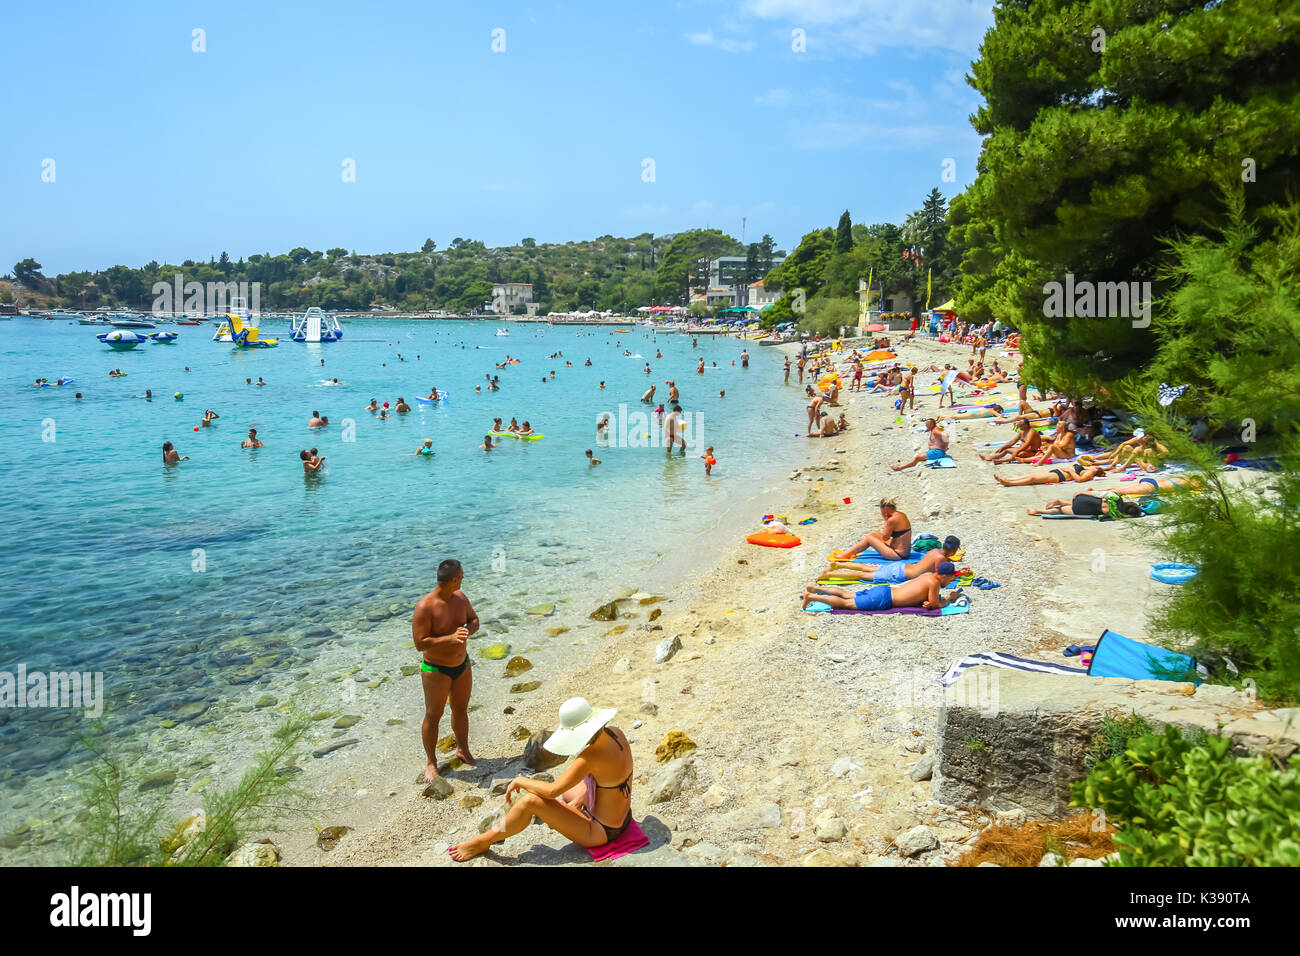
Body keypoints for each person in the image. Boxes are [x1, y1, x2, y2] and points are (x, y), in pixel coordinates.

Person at [448, 697, 633, 861]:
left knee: (529, 801)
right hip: (623, 818)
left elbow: (552, 791)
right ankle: (566, 812)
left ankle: (483, 841)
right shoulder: (615, 732)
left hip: (601, 832)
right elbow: (609, 776)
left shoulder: (589, 758)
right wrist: (581, 797)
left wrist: (520, 781)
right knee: (569, 791)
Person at [413, 558, 479, 783]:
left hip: (462, 666)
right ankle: (431, 763)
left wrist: (469, 629)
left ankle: (463, 749)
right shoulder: (425, 607)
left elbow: (474, 620)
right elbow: (420, 643)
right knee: (434, 716)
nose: (464, 578)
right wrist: (450, 638)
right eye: (462, 575)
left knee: (460, 709)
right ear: (454, 579)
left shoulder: (460, 598)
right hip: (436, 670)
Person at [801, 566, 962, 611]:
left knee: (847, 594)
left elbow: (926, 598)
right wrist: (949, 598)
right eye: (950, 579)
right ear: (943, 576)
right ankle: (812, 597)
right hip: (884, 599)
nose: (950, 581)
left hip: (885, 590)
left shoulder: (928, 575)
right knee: (846, 604)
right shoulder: (934, 583)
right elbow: (935, 605)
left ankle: (814, 588)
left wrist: (929, 601)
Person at [820, 536, 961, 582]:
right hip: (901, 574)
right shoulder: (941, 559)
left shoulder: (935, 551)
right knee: (863, 576)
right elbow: (940, 577)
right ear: (954, 551)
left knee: (868, 568)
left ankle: (838, 565)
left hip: (901, 567)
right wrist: (957, 575)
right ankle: (830, 574)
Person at [834, 499, 913, 561]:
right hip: (904, 552)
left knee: (869, 539)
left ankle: (847, 555)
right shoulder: (901, 514)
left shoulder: (891, 520)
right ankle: (852, 552)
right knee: (873, 533)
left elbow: (885, 538)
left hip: (897, 554)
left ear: (885, 509)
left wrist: (886, 520)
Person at [993, 462, 1108, 486]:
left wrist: (1071, 471)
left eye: (1096, 467)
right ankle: (1009, 479)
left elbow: (1080, 480)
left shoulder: (1091, 472)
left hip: (1060, 476)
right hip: (1058, 471)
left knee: (1033, 478)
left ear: (1096, 470)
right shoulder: (1087, 469)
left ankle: (1010, 483)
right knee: (1030, 474)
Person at [1027, 493, 1141, 517]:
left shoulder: (1117, 497)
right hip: (1083, 508)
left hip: (1084, 499)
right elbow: (1104, 512)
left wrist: (1082, 493)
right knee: (1060, 510)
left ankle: (1061, 501)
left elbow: (1097, 493)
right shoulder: (1116, 513)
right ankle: (1038, 511)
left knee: (1079, 503)